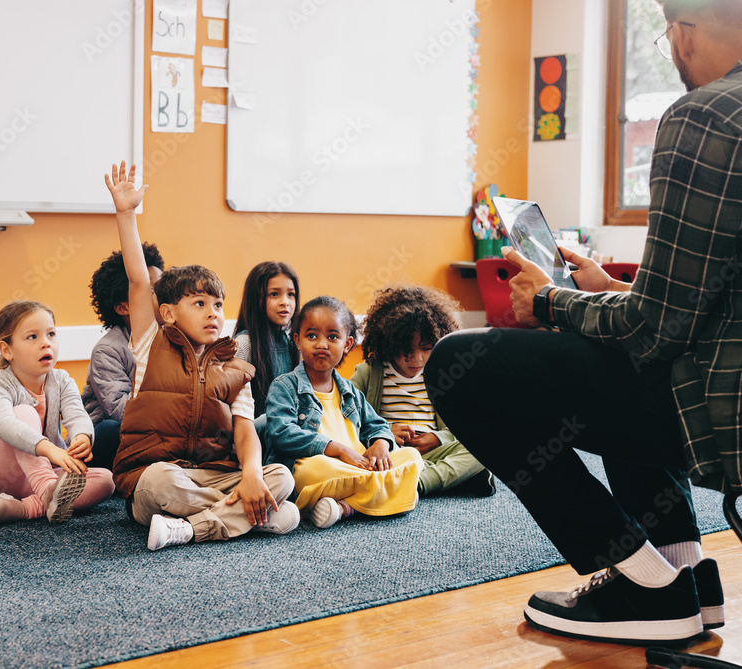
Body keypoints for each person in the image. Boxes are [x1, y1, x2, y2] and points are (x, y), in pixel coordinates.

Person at [426, 0, 742, 644]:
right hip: (722, 390)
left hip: (719, 416)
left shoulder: (709, 113)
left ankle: (641, 583)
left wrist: (550, 302)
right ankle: (685, 573)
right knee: (615, 353)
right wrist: (613, 289)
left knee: (458, 368)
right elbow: (706, 306)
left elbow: (654, 330)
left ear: (680, 35)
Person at [105, 160, 299, 551]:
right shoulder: (149, 343)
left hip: (212, 475)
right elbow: (140, 281)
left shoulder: (234, 365)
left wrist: (252, 474)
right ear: (169, 313)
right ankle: (245, 514)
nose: (213, 312)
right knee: (165, 482)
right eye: (199, 303)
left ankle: (193, 528)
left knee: (280, 478)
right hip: (155, 477)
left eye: (218, 304)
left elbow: (245, 431)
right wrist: (126, 214)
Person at [264, 296, 423, 528]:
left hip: (356, 466)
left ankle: (343, 507)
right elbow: (282, 432)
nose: (321, 344)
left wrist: (380, 444)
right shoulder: (284, 386)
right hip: (320, 466)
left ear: (347, 344)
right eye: (311, 336)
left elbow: (376, 425)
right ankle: (390, 491)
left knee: (412, 458)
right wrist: (336, 449)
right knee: (315, 469)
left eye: (332, 337)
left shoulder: (350, 390)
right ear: (298, 340)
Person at [0, 301, 114, 526]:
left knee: (106, 480)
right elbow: (4, 423)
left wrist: (82, 436)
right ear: (7, 350)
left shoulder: (62, 380)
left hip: (37, 474)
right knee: (23, 413)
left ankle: (25, 508)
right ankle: (47, 493)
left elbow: (76, 414)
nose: (46, 343)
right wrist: (49, 449)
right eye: (32, 337)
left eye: (51, 334)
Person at [351, 285, 494, 497]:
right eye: (406, 350)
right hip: (390, 453)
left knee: (486, 446)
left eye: (426, 348)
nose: (417, 359)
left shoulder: (446, 373)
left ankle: (416, 483)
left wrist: (438, 438)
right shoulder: (368, 372)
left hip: (433, 453)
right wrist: (385, 433)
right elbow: (346, 418)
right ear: (389, 343)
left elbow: (467, 424)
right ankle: (442, 479)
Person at [82, 243, 165, 471]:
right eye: (152, 290)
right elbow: (120, 411)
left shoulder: (173, 335)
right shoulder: (108, 349)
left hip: (162, 429)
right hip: (114, 432)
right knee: (110, 431)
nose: (164, 295)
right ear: (123, 308)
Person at [233, 261, 301, 418]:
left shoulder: (291, 342)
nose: (285, 302)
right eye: (274, 294)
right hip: (255, 435)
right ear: (255, 299)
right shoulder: (244, 345)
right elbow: (232, 405)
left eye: (291, 294)